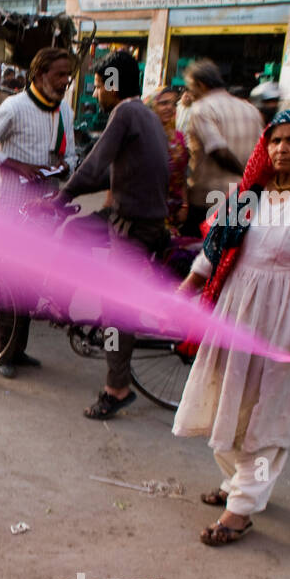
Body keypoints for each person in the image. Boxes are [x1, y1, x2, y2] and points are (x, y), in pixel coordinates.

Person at [172, 108, 290, 546]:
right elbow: (216, 250)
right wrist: (187, 288)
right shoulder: (253, 191)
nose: (281, 149)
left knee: (266, 413)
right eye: (275, 141)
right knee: (225, 400)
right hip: (235, 312)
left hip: (287, 322)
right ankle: (241, 484)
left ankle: (240, 511)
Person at [55, 52, 171, 419]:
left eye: (100, 83)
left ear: (115, 85)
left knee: (116, 310)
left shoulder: (125, 113)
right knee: (75, 232)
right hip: (133, 218)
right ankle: (66, 303)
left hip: (134, 227)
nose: (96, 90)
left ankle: (117, 389)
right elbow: (115, 171)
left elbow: (96, 164)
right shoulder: (146, 115)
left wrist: (63, 195)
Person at [0, 47, 78, 378]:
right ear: (39, 74)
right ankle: (3, 354)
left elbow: (73, 156)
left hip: (45, 209)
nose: (65, 81)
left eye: (67, 75)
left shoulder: (65, 112)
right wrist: (16, 164)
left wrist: (63, 167)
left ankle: (19, 349)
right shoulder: (14, 107)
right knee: (11, 280)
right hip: (13, 209)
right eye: (59, 74)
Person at [182, 59, 261, 237]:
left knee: (198, 255)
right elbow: (262, 152)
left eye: (190, 87)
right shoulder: (250, 109)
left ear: (200, 85)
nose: (189, 93)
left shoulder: (201, 109)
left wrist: (243, 173)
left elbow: (218, 150)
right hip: (244, 198)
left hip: (209, 201)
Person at [148, 86, 190, 233]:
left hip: (174, 211)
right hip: (148, 210)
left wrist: (185, 205)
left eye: (173, 103)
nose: (169, 108)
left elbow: (182, 174)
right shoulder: (144, 135)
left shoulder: (178, 137)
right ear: (152, 106)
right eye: (163, 103)